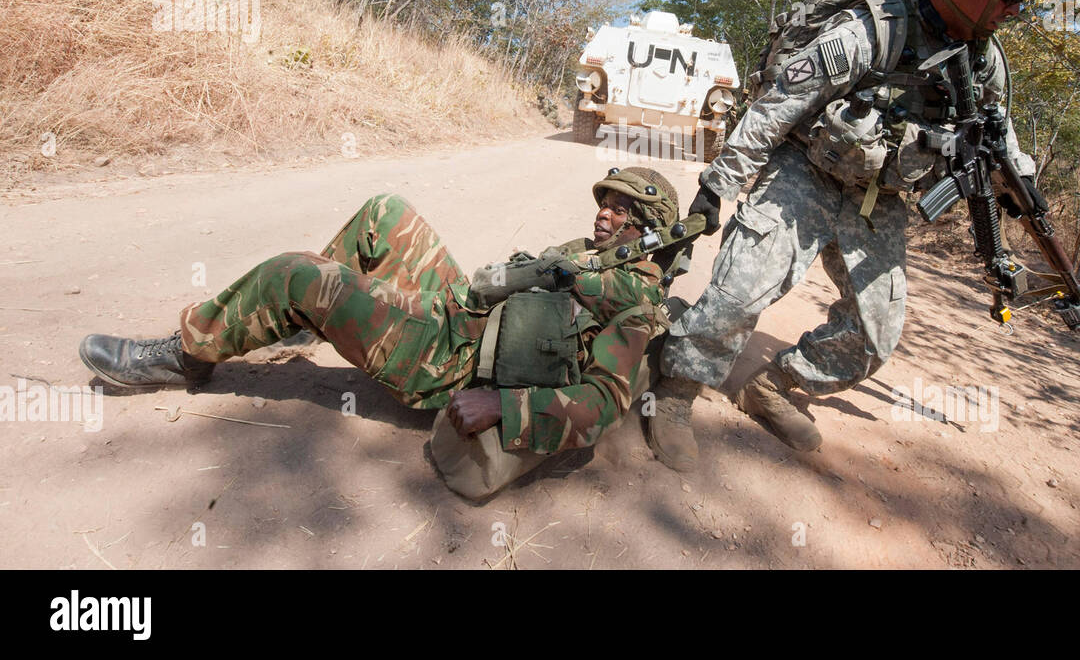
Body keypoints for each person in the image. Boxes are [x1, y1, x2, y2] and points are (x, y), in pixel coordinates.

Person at [647, 0, 1076, 471]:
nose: (1016, 7)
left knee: (875, 336)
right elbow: (777, 108)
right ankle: (675, 391)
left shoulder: (984, 61)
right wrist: (717, 184)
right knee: (739, 293)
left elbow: (1003, 138)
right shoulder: (874, 30)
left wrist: (1021, 186)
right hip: (806, 173)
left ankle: (772, 386)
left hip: (881, 197)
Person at [79, 167, 679, 454]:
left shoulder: (633, 301)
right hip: (464, 311)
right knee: (382, 211)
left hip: (451, 362)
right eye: (605, 202)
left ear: (645, 230)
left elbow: (604, 402)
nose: (604, 213)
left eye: (621, 210)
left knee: (295, 273)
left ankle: (187, 354)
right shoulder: (590, 257)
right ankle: (304, 317)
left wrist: (502, 405)